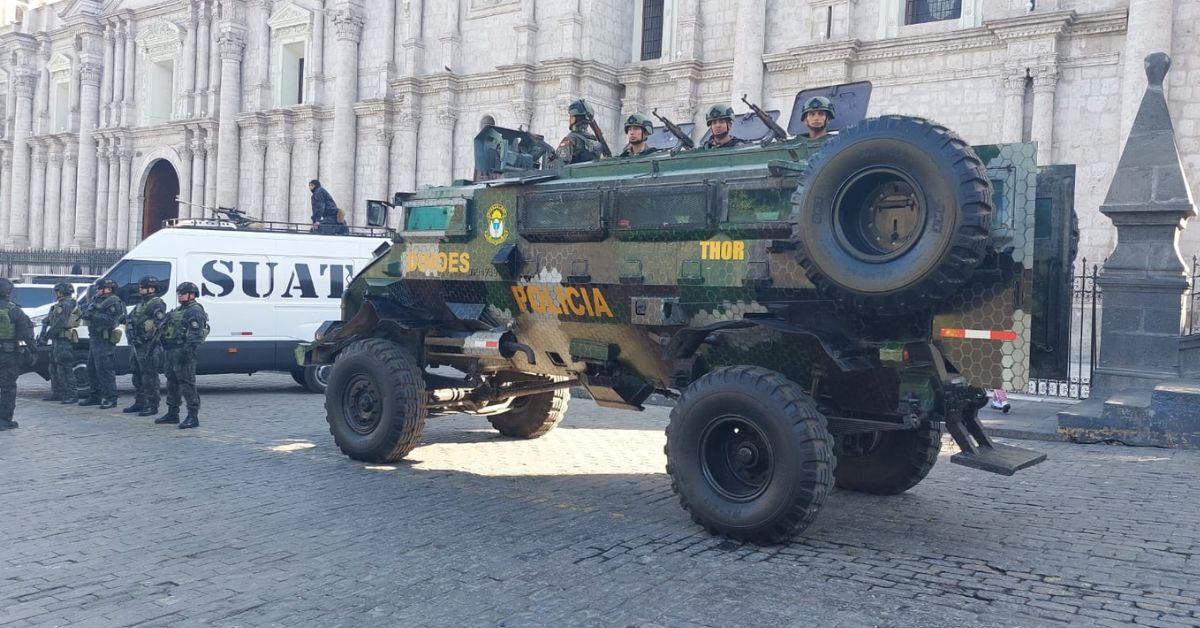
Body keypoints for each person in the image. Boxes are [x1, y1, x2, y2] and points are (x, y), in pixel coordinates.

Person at [156, 282, 209, 430]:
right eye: (179, 293)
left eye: (183, 293)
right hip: (172, 351)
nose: (180, 295)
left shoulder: (195, 310)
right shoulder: (179, 310)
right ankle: (173, 413)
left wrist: (187, 351)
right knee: (172, 383)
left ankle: (193, 416)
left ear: (192, 295)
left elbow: (196, 334)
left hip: (184, 352)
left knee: (187, 384)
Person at [122, 276, 167, 417]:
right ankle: (140, 401)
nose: (140, 289)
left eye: (143, 287)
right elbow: (129, 318)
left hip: (149, 345)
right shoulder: (140, 305)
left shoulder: (156, 304)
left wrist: (144, 338)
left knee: (150, 376)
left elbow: (159, 326)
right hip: (137, 344)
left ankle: (152, 404)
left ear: (152, 288)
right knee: (137, 374)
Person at [79, 279, 123, 409]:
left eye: (100, 288)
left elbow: (110, 320)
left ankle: (111, 398)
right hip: (95, 338)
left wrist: (92, 316)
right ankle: (95, 396)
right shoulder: (97, 300)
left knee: (105, 369)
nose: (97, 291)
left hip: (105, 339)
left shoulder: (113, 301)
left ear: (108, 289)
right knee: (92, 369)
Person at [0, 278, 36, 431]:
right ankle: (4, 420)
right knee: (8, 387)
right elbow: (26, 334)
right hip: (7, 354)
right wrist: (34, 351)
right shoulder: (14, 310)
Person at [43, 282, 80, 405]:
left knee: (65, 368)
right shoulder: (58, 305)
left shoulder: (68, 303)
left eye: (57, 291)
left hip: (63, 340)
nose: (56, 294)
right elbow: (49, 320)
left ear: (62, 292)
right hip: (56, 340)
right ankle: (58, 392)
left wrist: (47, 335)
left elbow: (61, 322)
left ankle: (71, 394)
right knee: (53, 367)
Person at [555, 99, 603, 165]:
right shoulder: (593, 139)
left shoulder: (571, 139)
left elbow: (560, 165)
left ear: (576, 119)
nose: (569, 120)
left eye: (571, 117)